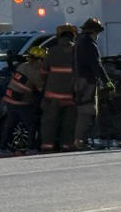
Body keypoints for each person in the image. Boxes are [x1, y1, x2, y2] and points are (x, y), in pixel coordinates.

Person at [73, 18, 115, 150]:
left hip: (79, 80)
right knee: (88, 111)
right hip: (87, 82)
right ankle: (80, 141)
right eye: (97, 33)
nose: (97, 36)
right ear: (94, 32)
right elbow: (97, 65)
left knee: (84, 111)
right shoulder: (89, 44)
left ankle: (83, 140)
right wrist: (107, 82)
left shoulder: (78, 43)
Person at [0, 46, 46, 152]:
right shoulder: (35, 72)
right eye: (43, 59)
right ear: (39, 59)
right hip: (22, 102)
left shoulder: (22, 66)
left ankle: (3, 145)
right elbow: (41, 91)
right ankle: (31, 146)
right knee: (32, 123)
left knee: (10, 124)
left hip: (9, 99)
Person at [40, 24, 78, 152]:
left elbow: (44, 72)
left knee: (49, 122)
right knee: (68, 123)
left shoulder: (52, 51)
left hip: (52, 95)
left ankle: (47, 146)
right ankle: (66, 146)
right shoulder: (76, 51)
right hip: (70, 95)